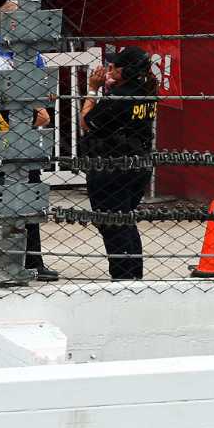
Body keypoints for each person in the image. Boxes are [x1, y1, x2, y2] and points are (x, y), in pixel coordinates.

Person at [77, 44, 157, 281]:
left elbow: (86, 121)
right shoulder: (145, 90)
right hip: (138, 164)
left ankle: (122, 278)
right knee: (125, 220)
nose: (108, 70)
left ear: (124, 71)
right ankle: (133, 276)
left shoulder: (119, 98)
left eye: (113, 67)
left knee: (113, 223)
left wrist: (93, 90)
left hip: (112, 167)